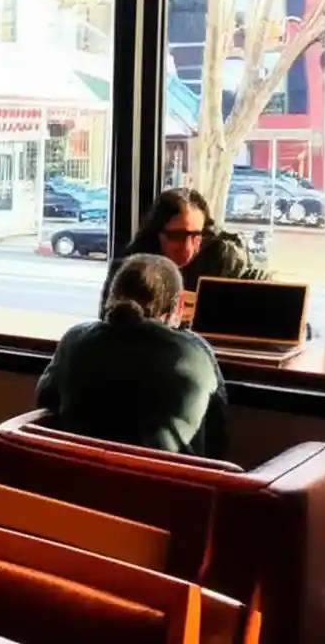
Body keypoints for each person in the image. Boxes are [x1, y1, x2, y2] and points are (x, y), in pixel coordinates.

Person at [40, 253, 227, 458]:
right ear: (179, 307)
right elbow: (217, 438)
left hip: (78, 479)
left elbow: (45, 401)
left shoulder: (75, 339)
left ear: (111, 296)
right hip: (167, 485)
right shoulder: (196, 353)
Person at [100, 188, 265, 312]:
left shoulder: (223, 255)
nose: (187, 248)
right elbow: (110, 322)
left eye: (196, 236)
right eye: (176, 236)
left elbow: (264, 289)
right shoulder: (131, 266)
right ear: (157, 233)